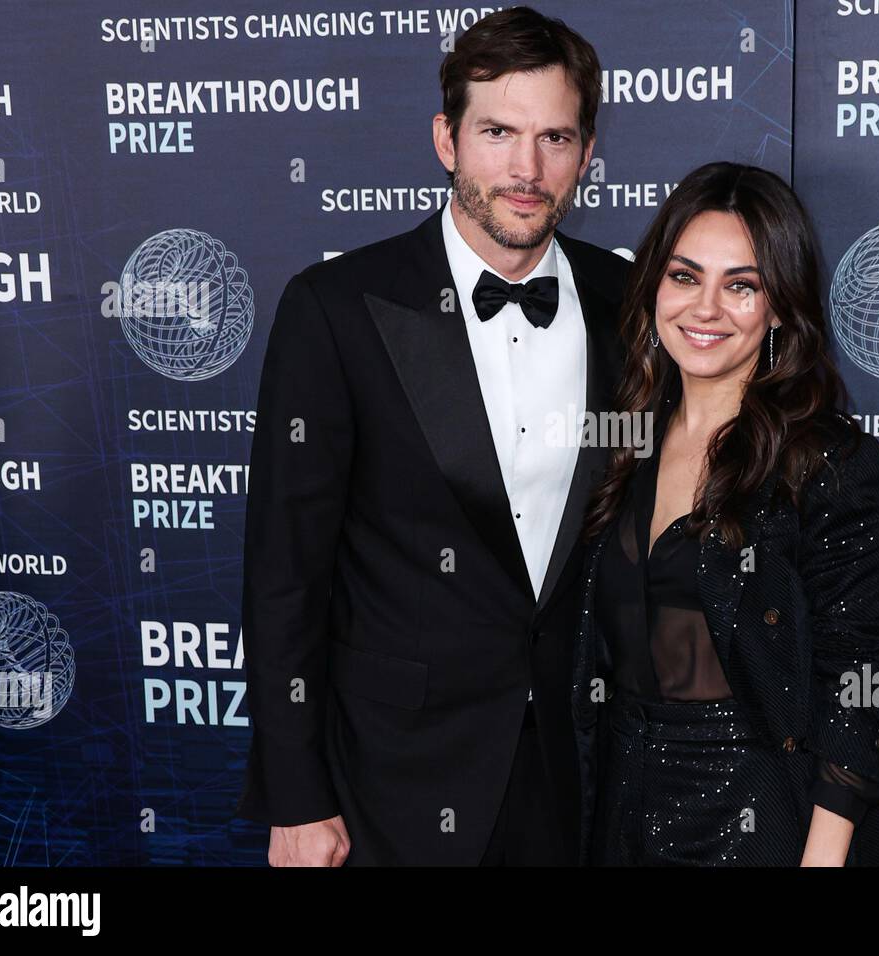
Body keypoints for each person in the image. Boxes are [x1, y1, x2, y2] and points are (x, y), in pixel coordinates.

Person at [235, 7, 629, 865]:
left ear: (587, 156)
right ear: (447, 140)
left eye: (555, 138)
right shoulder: (336, 308)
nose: (526, 169)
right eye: (498, 132)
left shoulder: (630, 303)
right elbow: (283, 573)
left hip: (579, 769)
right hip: (391, 775)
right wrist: (297, 798)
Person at [572, 161, 879, 866]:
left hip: (761, 815)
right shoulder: (624, 438)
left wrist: (821, 858)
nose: (705, 309)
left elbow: (865, 682)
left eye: (742, 286)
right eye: (685, 276)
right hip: (619, 810)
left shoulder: (829, 463)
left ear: (781, 305)